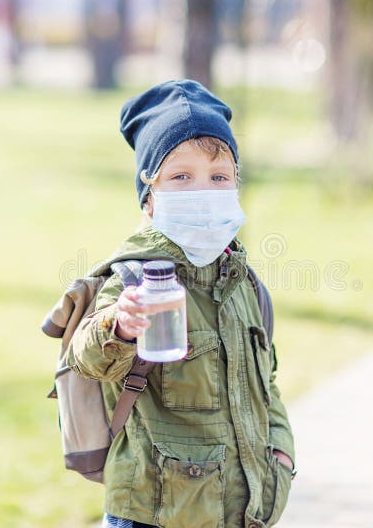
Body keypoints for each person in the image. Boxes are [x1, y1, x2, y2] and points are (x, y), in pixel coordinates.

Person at [71, 79, 295, 528]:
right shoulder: (133, 278)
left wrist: (281, 450)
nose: (204, 192)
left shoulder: (244, 284)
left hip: (242, 510)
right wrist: (119, 325)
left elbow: (265, 380)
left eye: (218, 177)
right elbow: (87, 357)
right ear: (149, 198)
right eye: (180, 177)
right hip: (153, 514)